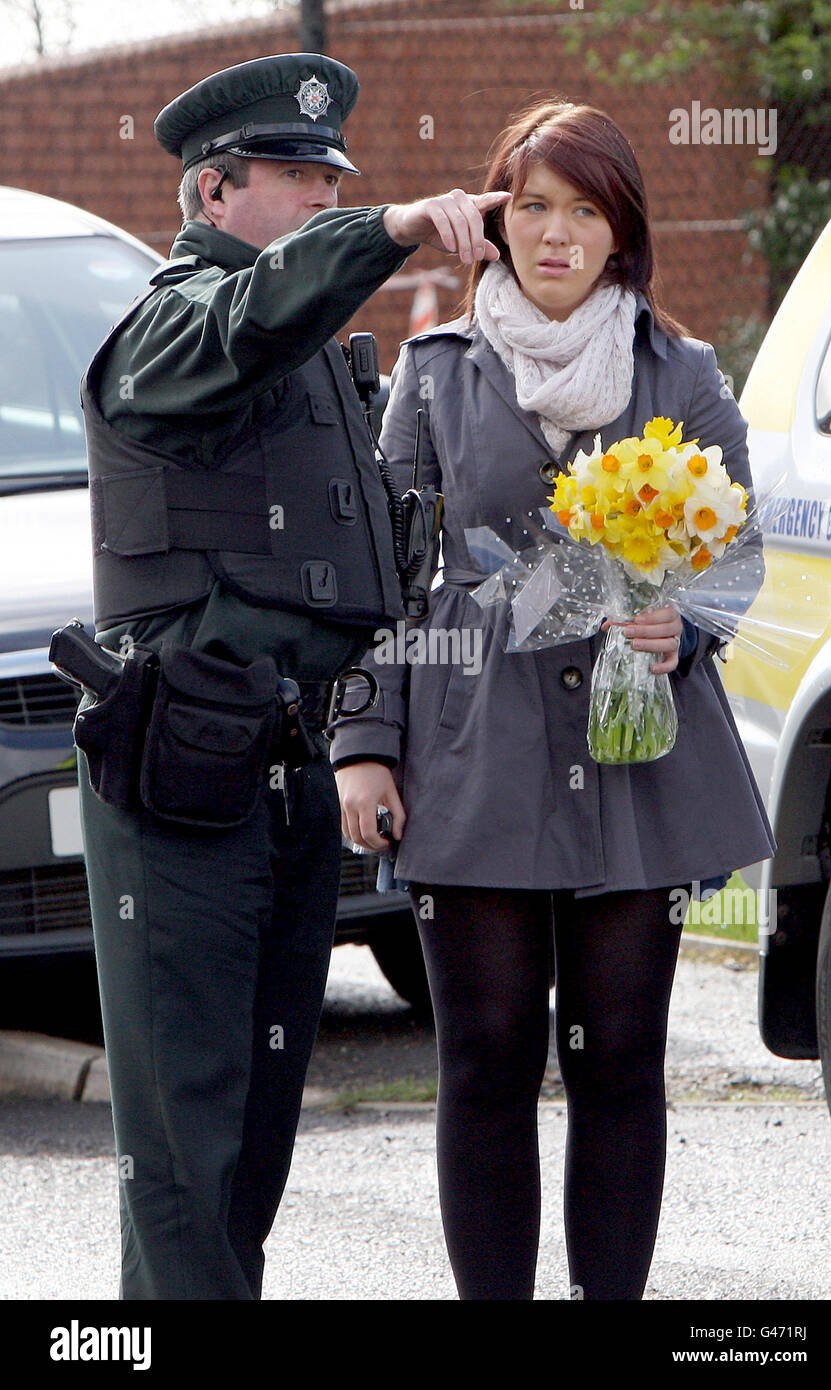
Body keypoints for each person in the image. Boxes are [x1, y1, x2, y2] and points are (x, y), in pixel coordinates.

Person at [74, 52, 509, 1300]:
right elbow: (251, 316)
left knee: (252, 1144)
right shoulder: (176, 323)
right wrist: (387, 229)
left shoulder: (316, 357)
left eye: (335, 180)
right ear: (214, 194)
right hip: (181, 786)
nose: (321, 195)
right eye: (295, 177)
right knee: (182, 1155)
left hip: (283, 778)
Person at [332, 100, 776, 1301]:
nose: (555, 233)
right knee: (482, 1057)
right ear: (493, 218)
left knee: (620, 1059)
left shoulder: (676, 371)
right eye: (530, 204)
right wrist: (362, 742)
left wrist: (677, 622)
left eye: (584, 210)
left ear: (620, 232)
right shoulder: (430, 376)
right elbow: (380, 574)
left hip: (635, 760)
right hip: (471, 753)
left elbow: (736, 554)